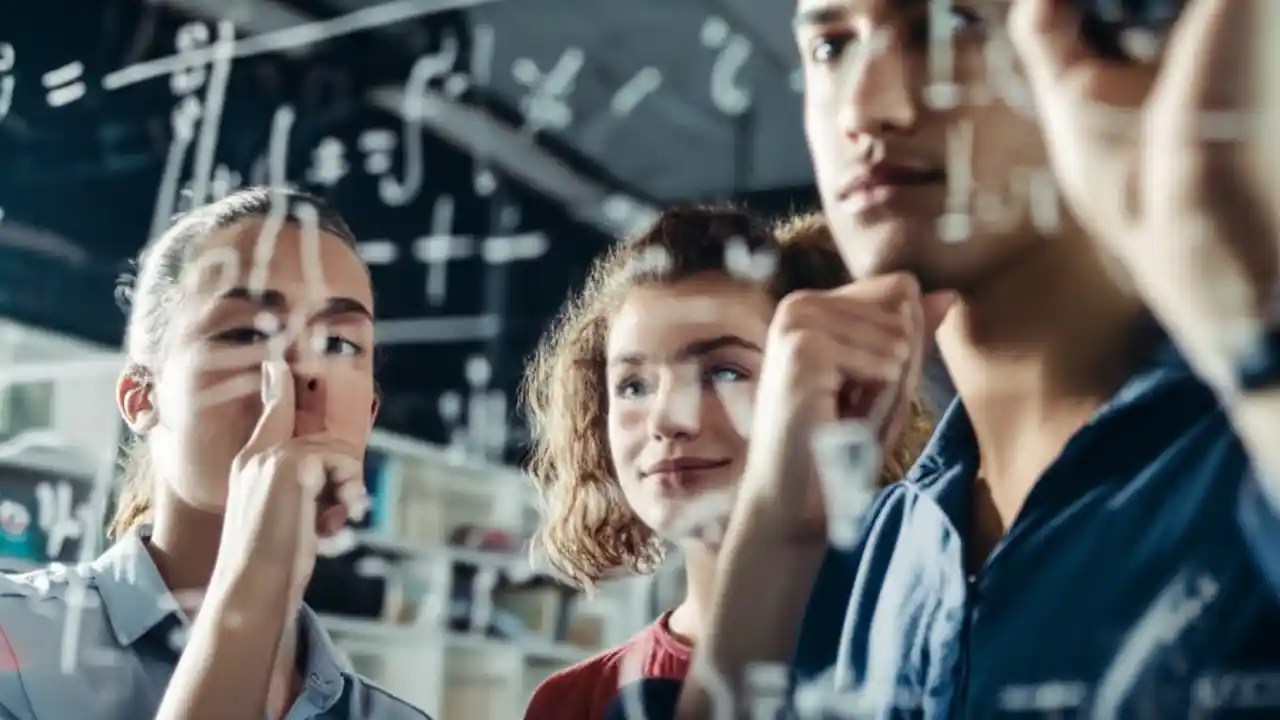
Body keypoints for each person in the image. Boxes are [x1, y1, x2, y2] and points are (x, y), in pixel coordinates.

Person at [671, 0, 1280, 717]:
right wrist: (770, 537)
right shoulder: (875, 553)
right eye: (833, 47)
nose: (867, 110)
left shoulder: (1246, 454)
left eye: (949, 27)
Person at [0, 188, 431, 720]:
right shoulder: (15, 643)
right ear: (141, 396)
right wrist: (255, 586)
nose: (301, 372)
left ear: (367, 414)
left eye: (339, 344)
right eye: (248, 333)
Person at [519, 206, 935, 720]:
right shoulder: (572, 704)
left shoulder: (918, 661)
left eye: (724, 372)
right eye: (633, 385)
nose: (668, 419)